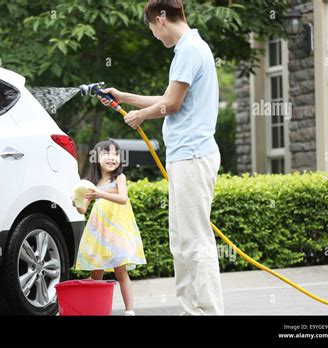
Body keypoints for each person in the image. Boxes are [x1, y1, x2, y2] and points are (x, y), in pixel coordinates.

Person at [99, 0, 224, 315]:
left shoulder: (189, 50)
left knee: (195, 240)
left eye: (153, 29)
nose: (156, 36)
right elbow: (168, 98)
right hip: (186, 157)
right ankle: (190, 308)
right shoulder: (190, 49)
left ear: (162, 19)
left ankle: (208, 311)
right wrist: (124, 97)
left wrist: (140, 115)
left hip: (193, 157)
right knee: (181, 241)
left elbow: (172, 105)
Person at [73, 139, 146, 316]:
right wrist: (77, 203)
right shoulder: (92, 184)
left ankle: (129, 311)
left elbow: (123, 199)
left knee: (121, 271)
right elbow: (83, 208)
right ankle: (96, 309)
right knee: (95, 274)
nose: (112, 158)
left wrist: (101, 194)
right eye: (106, 154)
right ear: (96, 158)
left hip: (116, 231)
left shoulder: (119, 178)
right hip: (99, 233)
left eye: (115, 154)